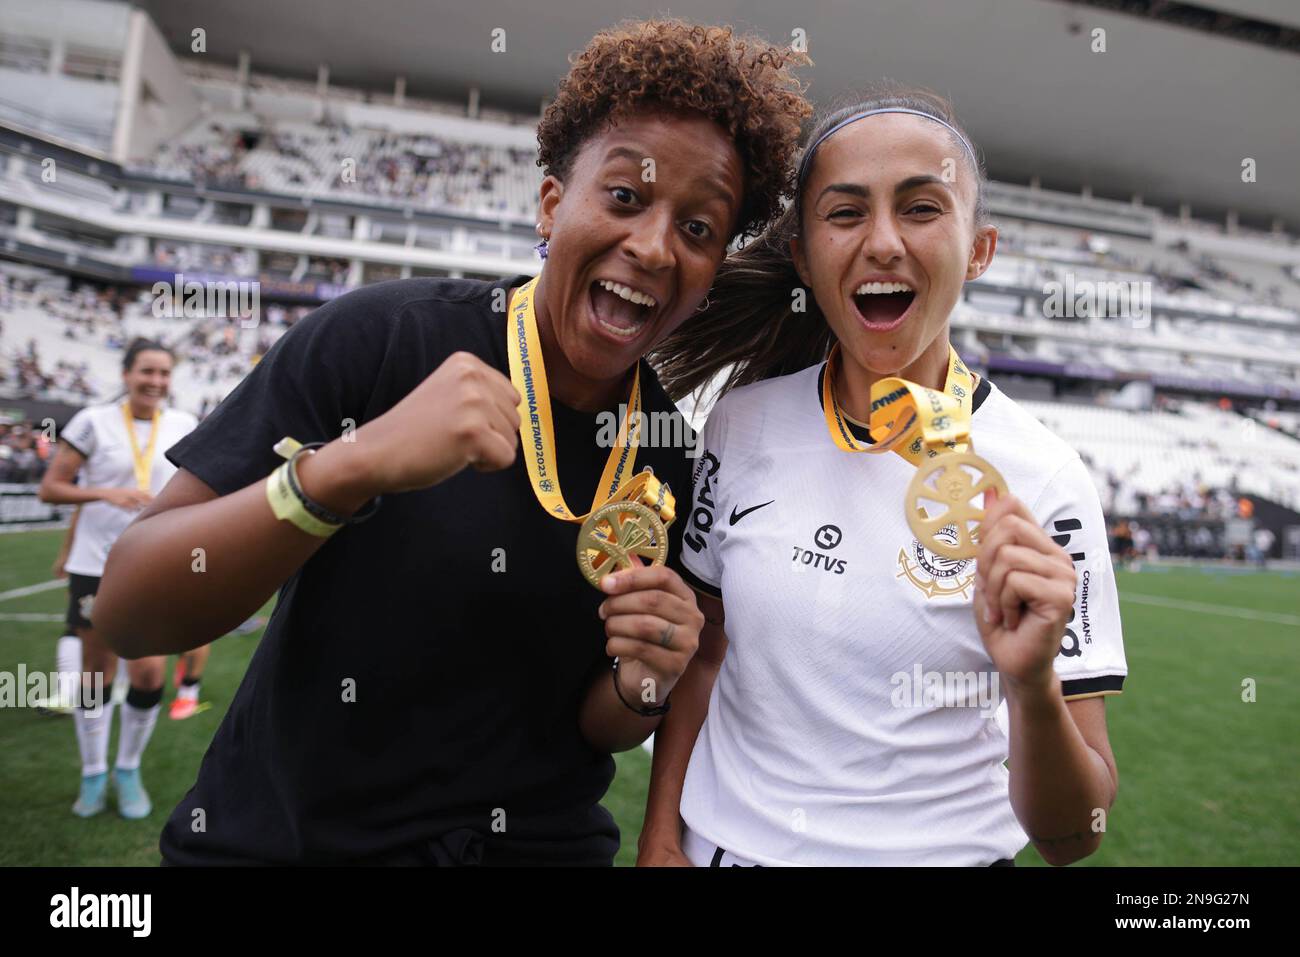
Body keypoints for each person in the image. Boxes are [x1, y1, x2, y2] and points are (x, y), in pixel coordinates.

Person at [93, 18, 810, 865]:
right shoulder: (382, 341)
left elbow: (592, 723)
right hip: (291, 845)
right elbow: (131, 611)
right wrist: (345, 470)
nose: (653, 245)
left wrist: (643, 677)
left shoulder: (670, 456)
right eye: (624, 197)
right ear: (552, 203)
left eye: (699, 228)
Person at [640, 86, 1128, 867]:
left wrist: (1033, 685)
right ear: (803, 253)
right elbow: (704, 651)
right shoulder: (742, 424)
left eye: (923, 208)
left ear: (980, 248)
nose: (884, 243)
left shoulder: (1045, 479)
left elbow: (1073, 839)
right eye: (844, 213)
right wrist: (661, 835)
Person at [38, 338, 199, 818]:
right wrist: (107, 494)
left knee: (149, 673)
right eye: (146, 371)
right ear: (127, 374)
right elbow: (51, 489)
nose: (155, 382)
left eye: (164, 373)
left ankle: (127, 768)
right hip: (95, 564)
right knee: (97, 672)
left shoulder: (185, 424)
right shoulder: (92, 420)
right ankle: (92, 773)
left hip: (154, 563)